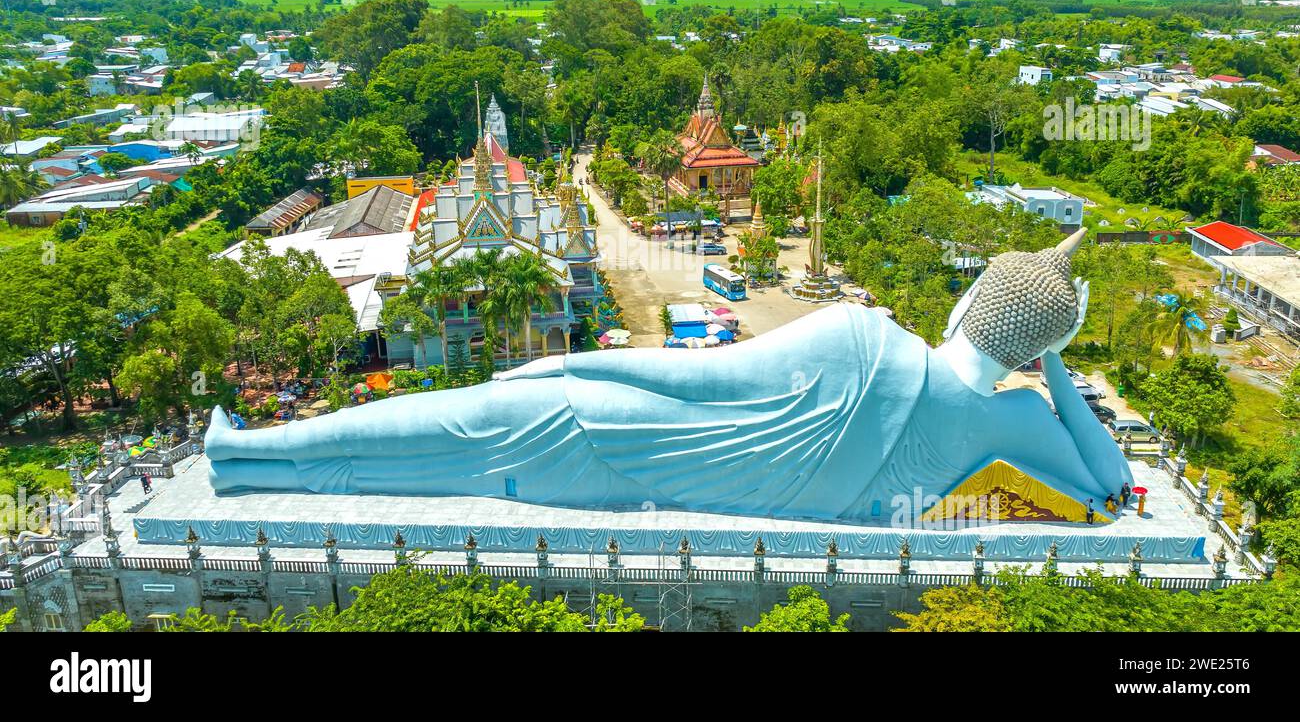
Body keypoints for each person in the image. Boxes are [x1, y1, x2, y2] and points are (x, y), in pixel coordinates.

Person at [207, 230, 1133, 526]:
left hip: (625, 432)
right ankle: (249, 463)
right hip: (657, 480)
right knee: (456, 456)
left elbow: (699, 381)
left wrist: (566, 359)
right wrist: (1049, 357)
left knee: (464, 422)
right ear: (1031, 347)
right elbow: (1111, 482)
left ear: (970, 298)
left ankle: (249, 457)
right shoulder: (1007, 423)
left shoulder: (864, 336)